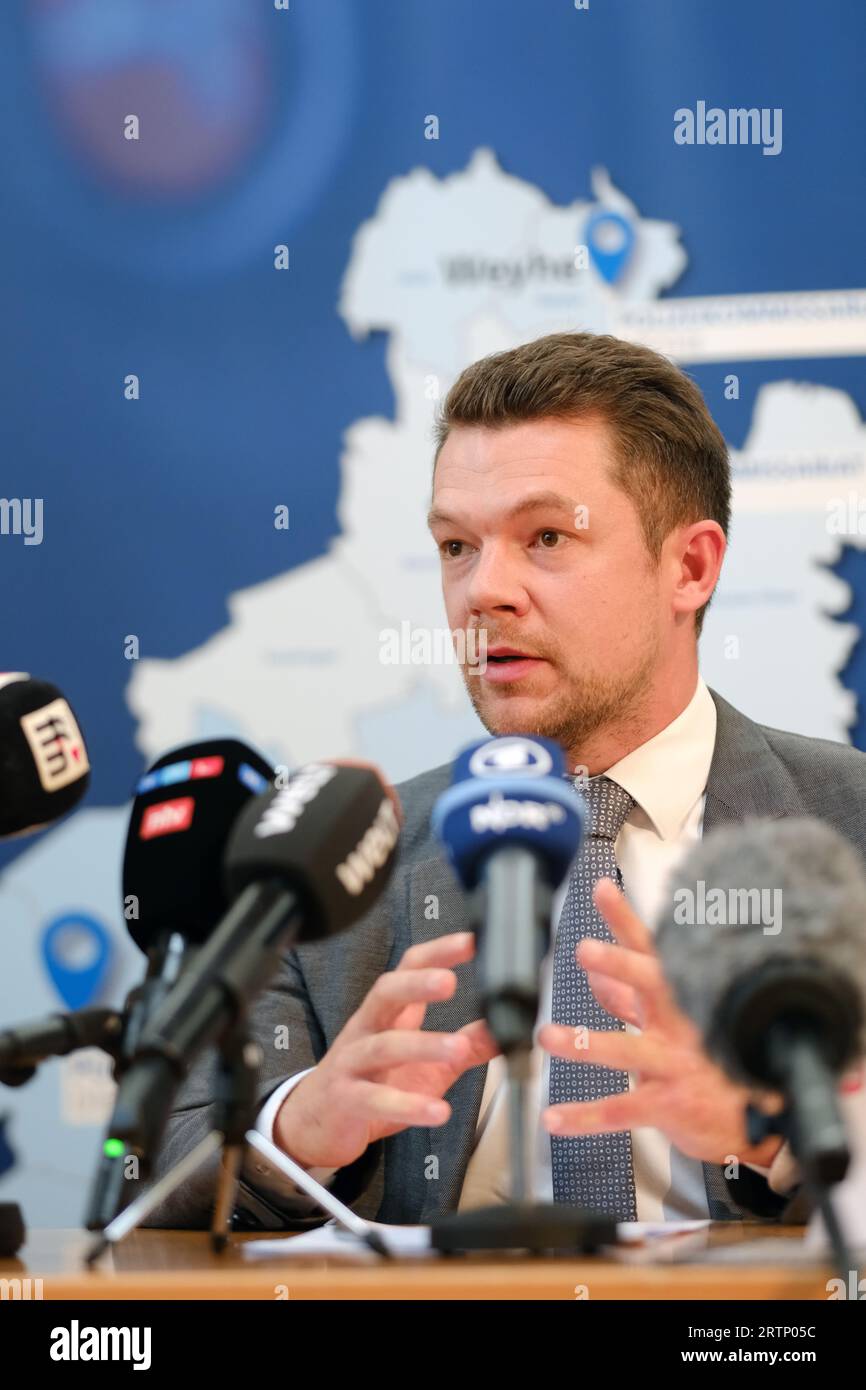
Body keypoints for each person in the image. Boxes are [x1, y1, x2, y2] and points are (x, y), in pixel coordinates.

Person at [144, 331, 866, 1231]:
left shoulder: (850, 828)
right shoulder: (336, 857)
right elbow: (152, 1158)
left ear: (690, 567)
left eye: (547, 537)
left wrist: (770, 1127)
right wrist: (300, 1125)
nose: (484, 591)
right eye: (456, 546)